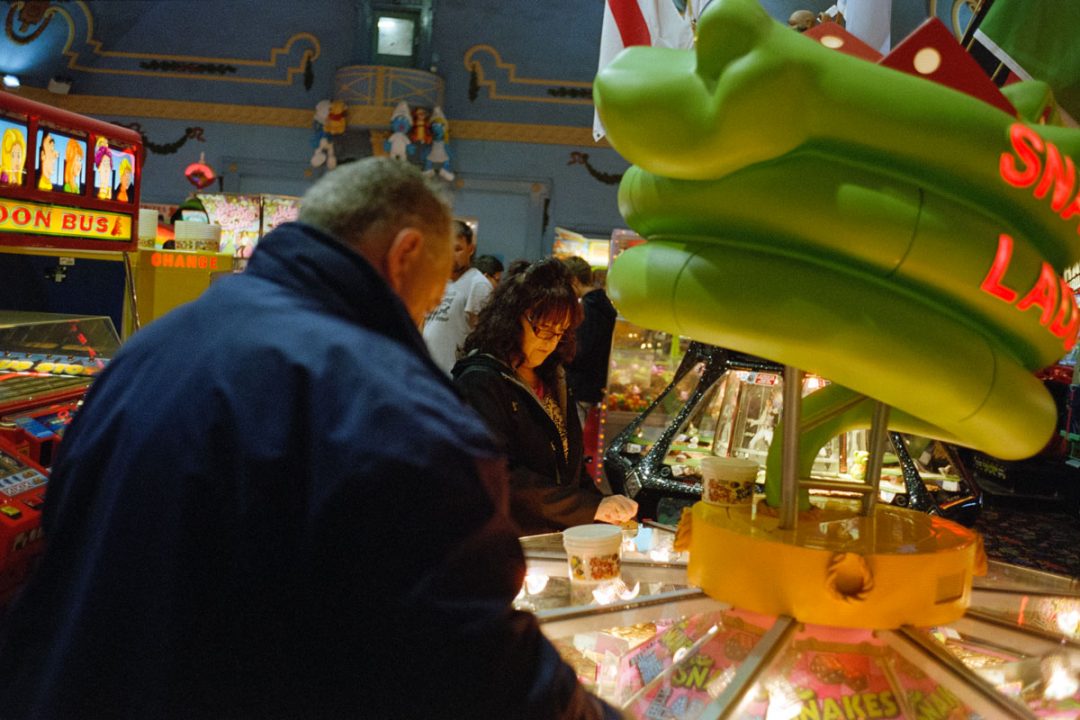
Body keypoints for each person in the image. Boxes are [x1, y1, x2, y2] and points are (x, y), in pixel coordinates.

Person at [0, 158, 619, 720]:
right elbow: (473, 661)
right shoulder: (392, 407)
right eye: (429, 301)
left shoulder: (144, 354)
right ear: (404, 254)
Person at [452, 258, 638, 534]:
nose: (550, 342)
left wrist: (600, 504)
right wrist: (588, 507)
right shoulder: (480, 380)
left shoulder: (554, 377)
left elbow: (568, 466)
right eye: (543, 329)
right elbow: (500, 476)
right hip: (507, 537)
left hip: (553, 537)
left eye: (560, 332)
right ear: (512, 317)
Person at [422, 218, 493, 374]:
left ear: (471, 249)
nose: (451, 255)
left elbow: (483, 338)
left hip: (453, 377)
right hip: (429, 372)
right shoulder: (439, 282)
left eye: (457, 249)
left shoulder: (477, 284)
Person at [561, 256, 618, 427]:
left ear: (574, 280)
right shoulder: (602, 305)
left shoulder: (588, 309)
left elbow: (580, 352)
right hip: (593, 384)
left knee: (572, 436)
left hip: (580, 385)